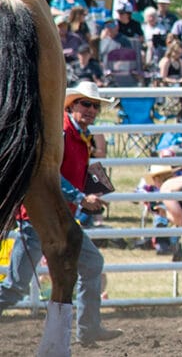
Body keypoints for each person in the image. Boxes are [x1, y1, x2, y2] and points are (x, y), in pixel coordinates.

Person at [0, 83, 122, 346]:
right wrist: (81, 197)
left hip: (58, 219)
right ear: (71, 105)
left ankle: (89, 328)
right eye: (85, 104)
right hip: (39, 218)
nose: (91, 110)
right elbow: (48, 173)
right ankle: (88, 328)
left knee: (92, 265)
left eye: (95, 106)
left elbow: (74, 172)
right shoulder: (63, 134)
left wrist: (95, 191)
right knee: (15, 286)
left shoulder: (79, 136)